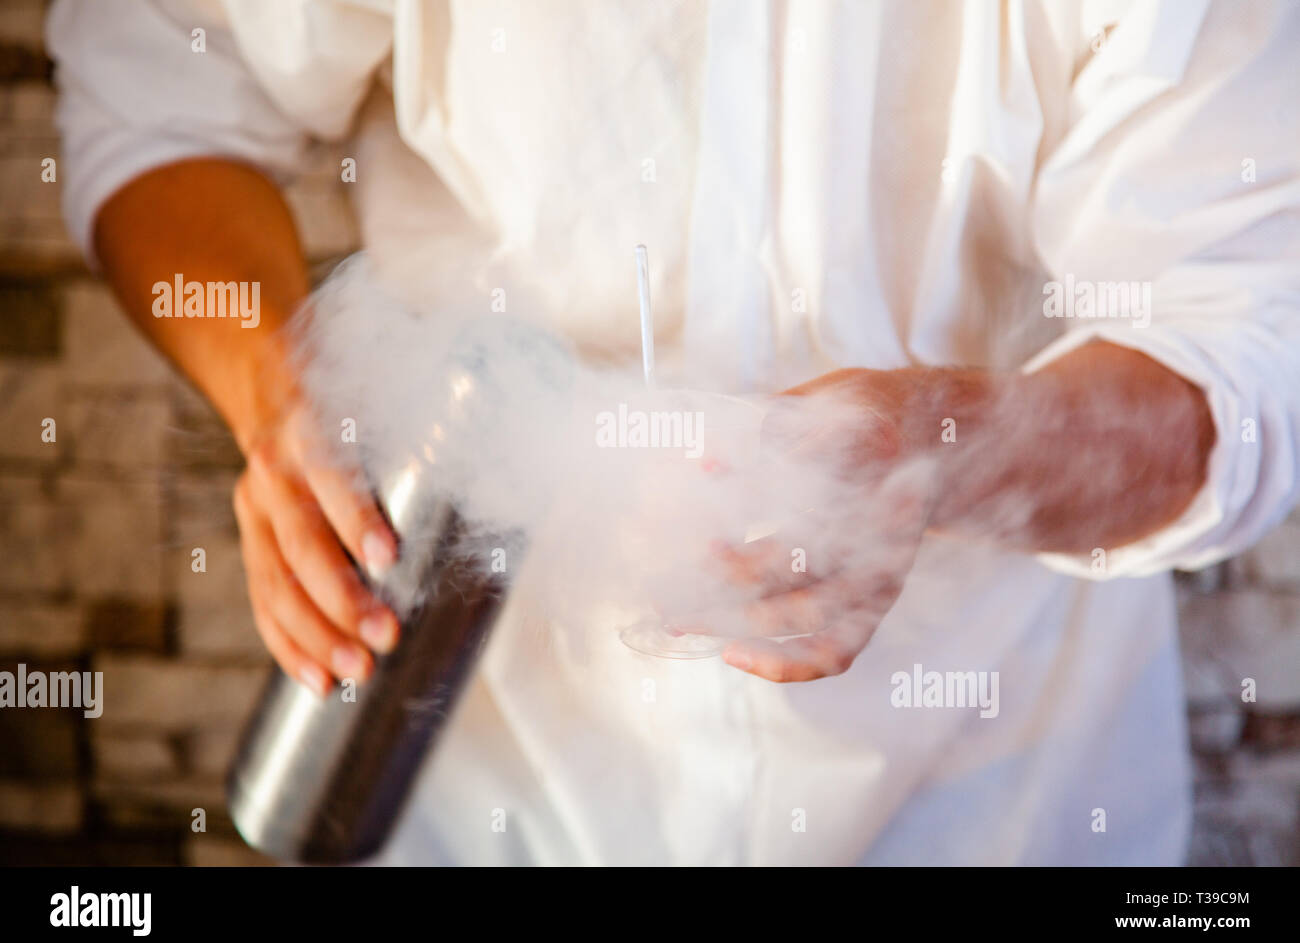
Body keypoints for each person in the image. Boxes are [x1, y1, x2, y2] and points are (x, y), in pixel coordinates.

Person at [47, 0, 1300, 865]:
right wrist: (284, 393)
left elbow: (1241, 349)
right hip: (484, 782)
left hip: (992, 802)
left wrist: (948, 450)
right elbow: (166, 91)